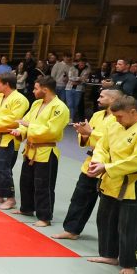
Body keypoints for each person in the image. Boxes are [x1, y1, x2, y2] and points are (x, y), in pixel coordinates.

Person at [87, 95, 137, 274]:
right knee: (105, 220)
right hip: (111, 180)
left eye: (120, 116)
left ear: (133, 112)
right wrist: (97, 162)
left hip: (133, 183)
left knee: (129, 226)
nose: (117, 120)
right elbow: (102, 147)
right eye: (115, 117)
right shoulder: (114, 126)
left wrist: (106, 167)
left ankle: (129, 262)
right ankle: (108, 254)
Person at [52, 89, 121, 240]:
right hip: (91, 161)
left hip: (110, 165)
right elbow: (87, 138)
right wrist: (83, 133)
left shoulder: (120, 119)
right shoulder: (97, 115)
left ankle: (109, 241)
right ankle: (71, 230)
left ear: (114, 99)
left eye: (102, 96)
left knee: (108, 206)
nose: (98, 98)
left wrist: (91, 133)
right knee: (80, 198)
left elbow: (115, 141)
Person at [12, 75, 69, 227]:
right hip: (30, 149)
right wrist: (20, 131)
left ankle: (45, 216)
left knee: (43, 185)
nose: (33, 91)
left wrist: (28, 126)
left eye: (36, 88)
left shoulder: (60, 108)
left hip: (46, 151)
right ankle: (27, 208)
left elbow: (52, 131)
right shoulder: (37, 103)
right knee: (26, 181)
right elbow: (25, 122)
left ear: (45, 89)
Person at [0, 72, 30, 210]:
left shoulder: (20, 99)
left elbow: (15, 120)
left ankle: (10, 198)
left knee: (3, 169)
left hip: (9, 138)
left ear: (6, 84)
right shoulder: (0, 98)